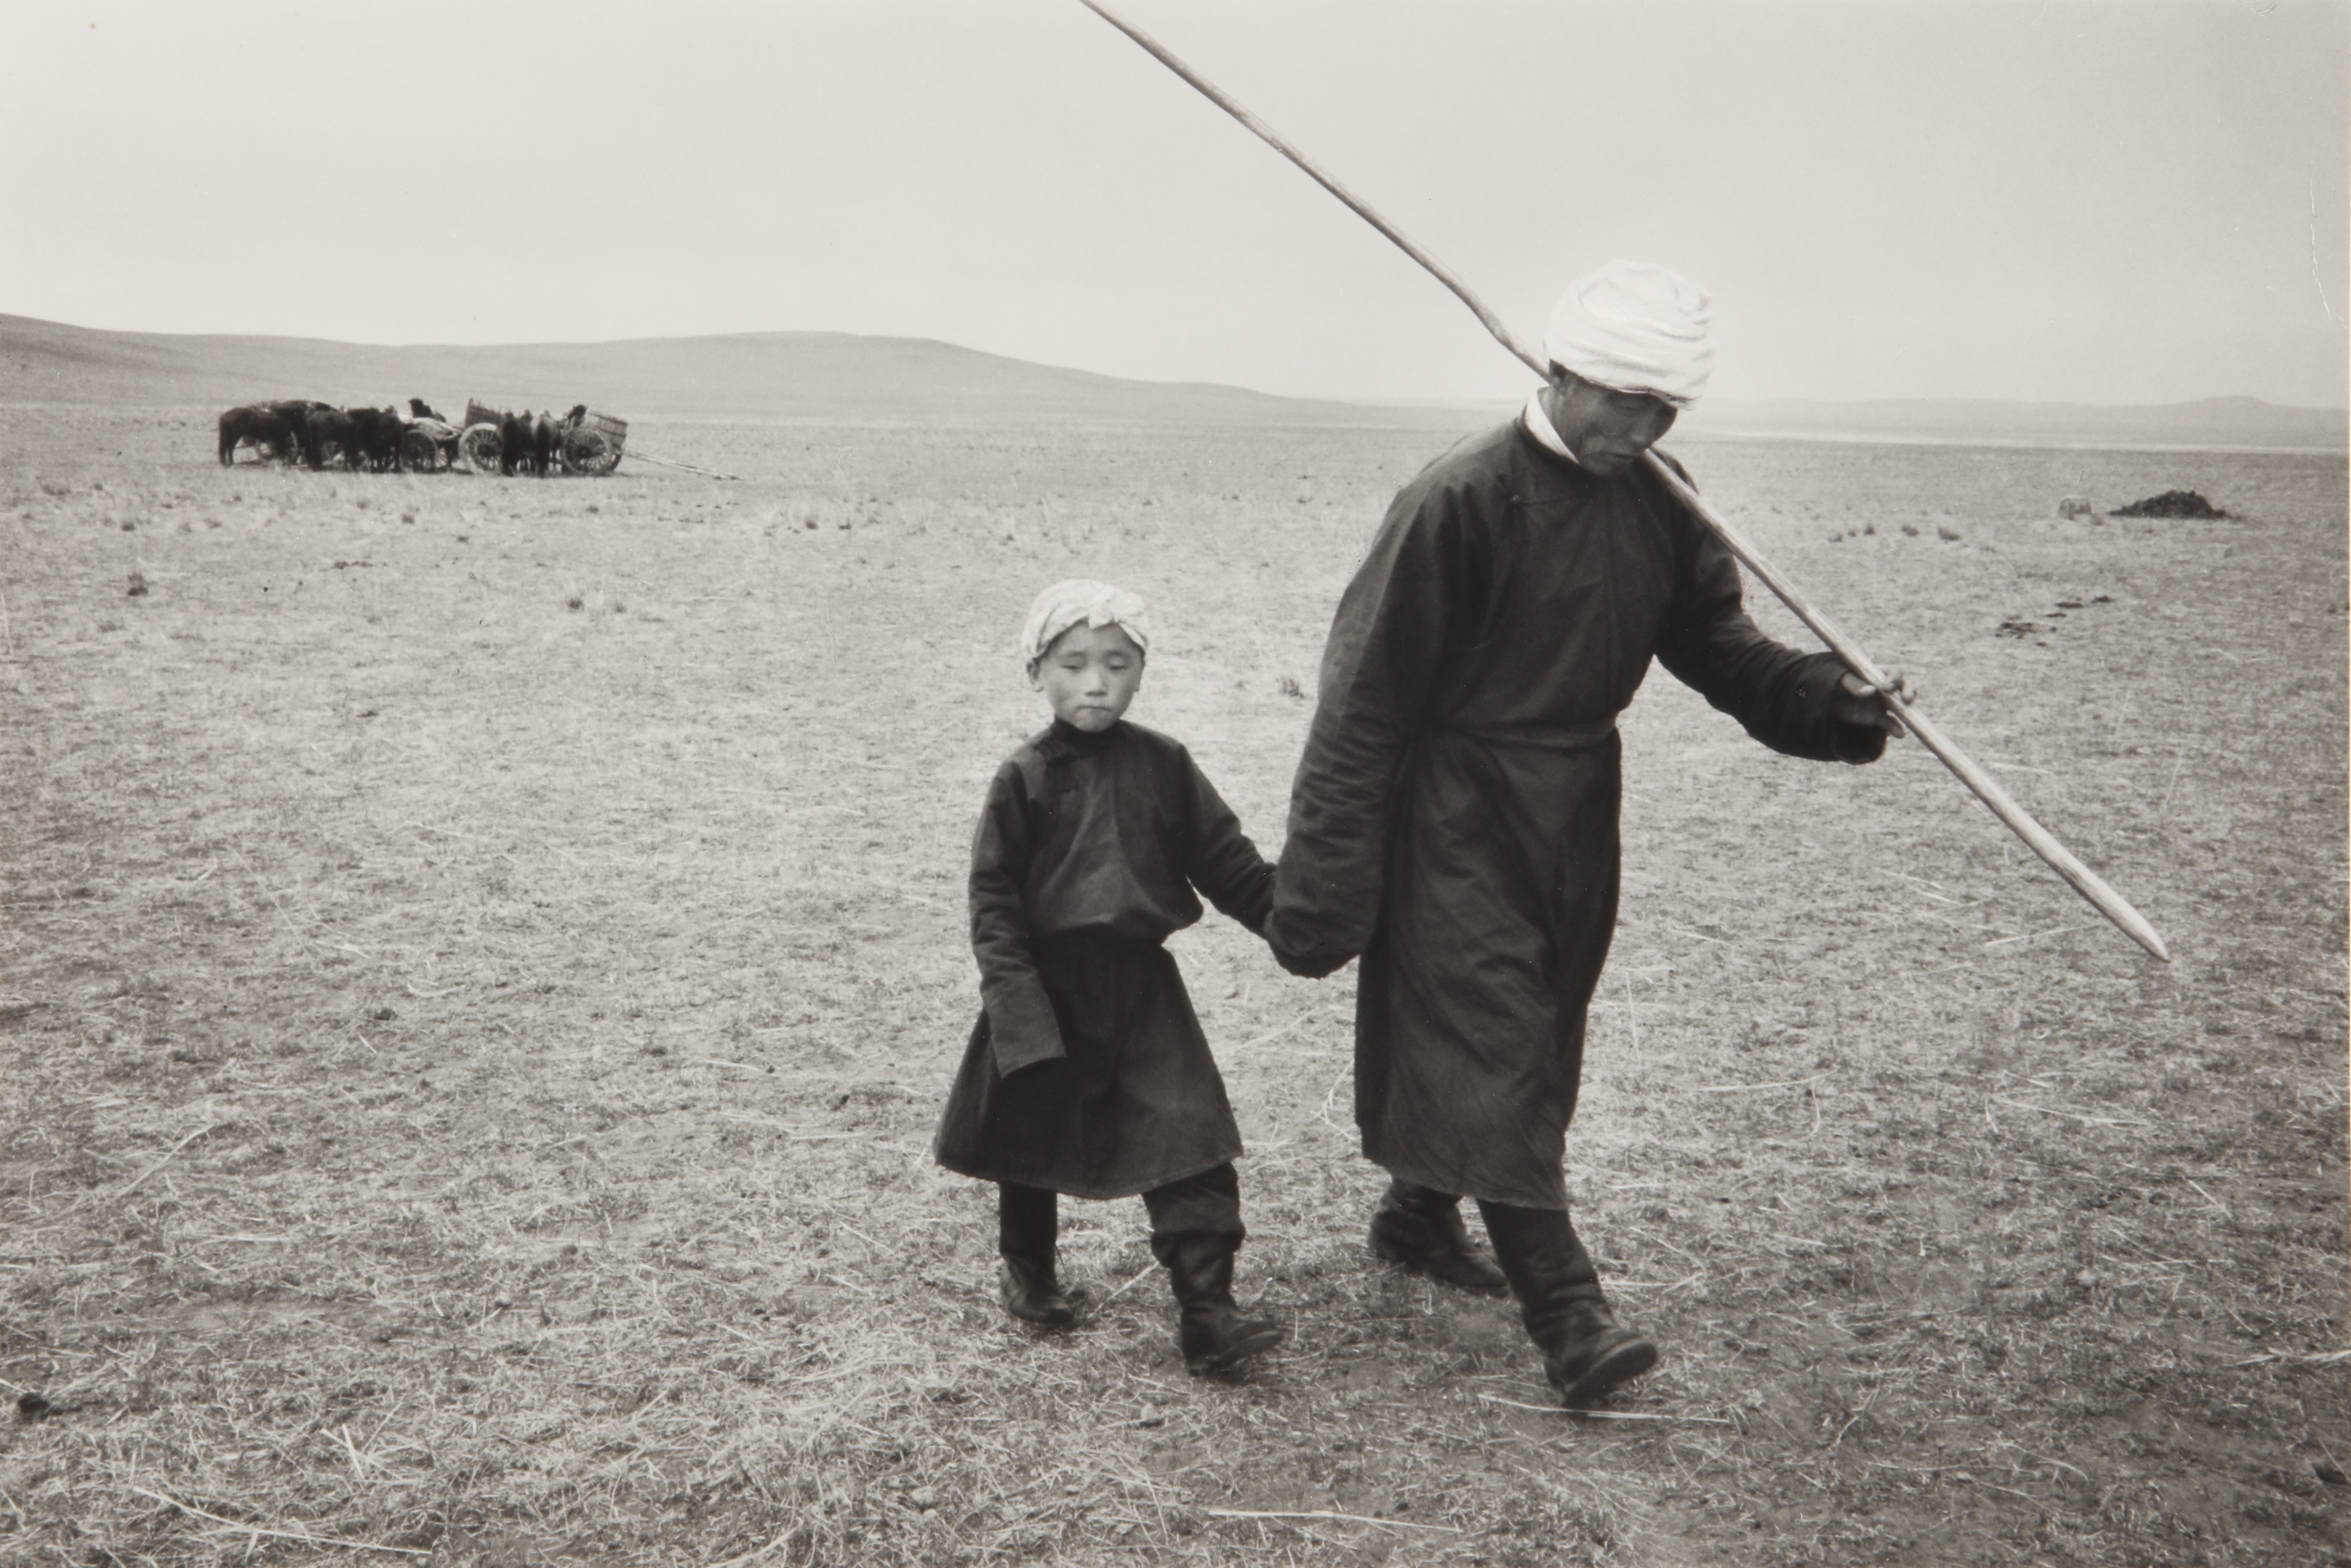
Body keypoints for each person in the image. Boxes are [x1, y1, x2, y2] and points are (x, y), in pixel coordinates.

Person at [1263, 261, 1911, 1408]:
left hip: (1572, 808)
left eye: (1664, 406)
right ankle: (1571, 1320)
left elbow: (1717, 645)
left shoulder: (1666, 498)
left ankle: (1415, 1216)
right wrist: (1325, 883)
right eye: (1620, 395)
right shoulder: (1458, 498)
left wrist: (1831, 697)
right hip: (1451, 806)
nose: (1640, 424)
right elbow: (1361, 703)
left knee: (1539, 1028)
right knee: (1491, 1035)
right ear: (1557, 370)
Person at [934, 579, 1290, 1375]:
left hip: (1141, 990)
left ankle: (1208, 1313)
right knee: (1029, 1138)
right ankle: (1028, 1275)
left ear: (1140, 672)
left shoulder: (1164, 764)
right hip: (1045, 989)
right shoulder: (1021, 778)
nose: (1095, 682)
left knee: (1189, 1133)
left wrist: (1290, 922)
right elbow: (994, 905)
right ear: (1036, 672)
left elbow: (1226, 862)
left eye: (1116, 663)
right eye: (1072, 663)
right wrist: (1018, 1014)